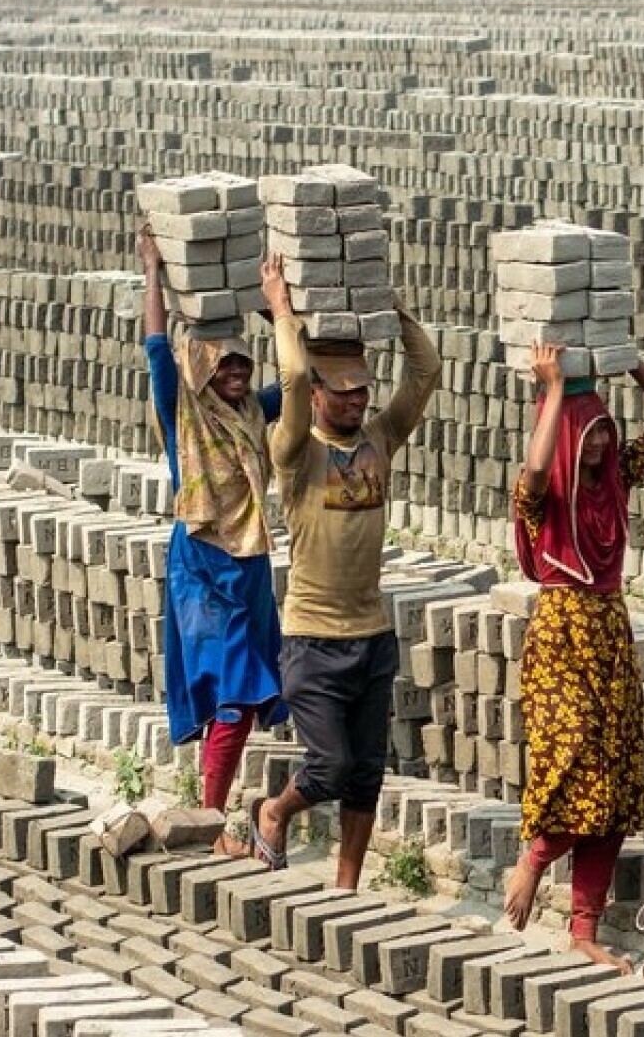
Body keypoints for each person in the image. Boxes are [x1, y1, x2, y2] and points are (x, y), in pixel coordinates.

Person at [248, 253, 442, 884]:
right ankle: (274, 812)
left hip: (372, 634)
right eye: (347, 392)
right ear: (321, 396)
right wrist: (281, 309)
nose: (359, 401)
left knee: (365, 774)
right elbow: (295, 377)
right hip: (314, 637)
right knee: (328, 767)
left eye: (364, 391)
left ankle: (346, 888)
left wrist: (396, 309)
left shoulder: (378, 440)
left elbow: (427, 372)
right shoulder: (295, 451)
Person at [502, 342, 644, 974]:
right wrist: (554, 391)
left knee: (615, 782)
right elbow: (533, 470)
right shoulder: (542, 501)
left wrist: (628, 360)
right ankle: (533, 861)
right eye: (591, 437)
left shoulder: (616, 483)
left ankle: (584, 930)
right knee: (574, 760)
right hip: (560, 635)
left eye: (604, 433)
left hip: (610, 631)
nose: (601, 446)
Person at [136, 225, 286, 850]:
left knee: (246, 695)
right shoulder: (183, 415)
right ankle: (214, 816)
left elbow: (305, 381)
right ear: (203, 365)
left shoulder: (255, 411)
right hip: (202, 566)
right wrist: (154, 273)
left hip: (248, 565)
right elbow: (155, 350)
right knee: (234, 691)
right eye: (224, 362)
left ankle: (213, 808)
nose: (236, 372)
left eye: (242, 363)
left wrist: (281, 305)